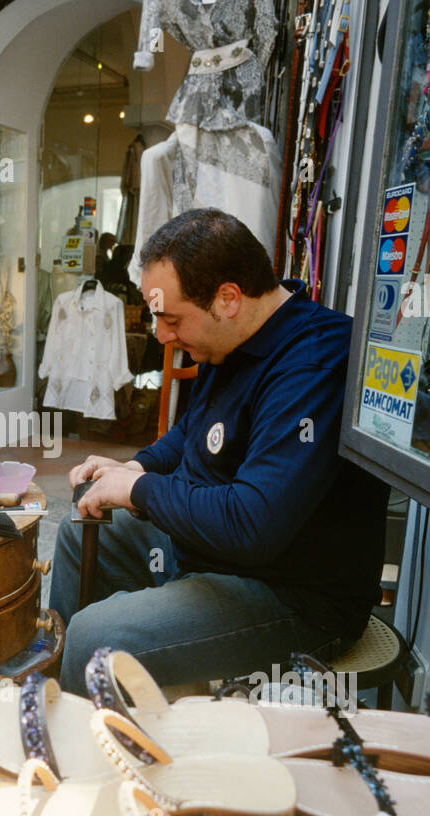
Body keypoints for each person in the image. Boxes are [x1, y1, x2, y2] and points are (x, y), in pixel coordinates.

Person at [52, 208, 387, 693]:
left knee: (94, 640)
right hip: (213, 553)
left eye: (171, 318)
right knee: (81, 532)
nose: (162, 335)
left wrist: (141, 490)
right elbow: (190, 432)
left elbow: (252, 524)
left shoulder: (314, 363)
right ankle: (85, 699)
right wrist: (134, 466)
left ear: (228, 298)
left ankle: (89, 724)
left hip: (291, 595)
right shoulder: (230, 339)